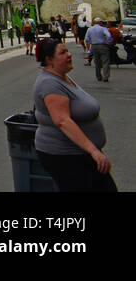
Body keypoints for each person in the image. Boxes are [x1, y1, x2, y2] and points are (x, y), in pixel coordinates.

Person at [32, 39, 116, 192]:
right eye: (62, 53)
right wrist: (93, 150)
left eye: (67, 51)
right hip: (66, 156)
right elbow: (62, 121)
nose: (69, 55)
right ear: (49, 59)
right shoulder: (49, 83)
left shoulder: (62, 76)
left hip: (81, 154)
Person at [84, 19, 113, 83]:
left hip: (94, 46)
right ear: (100, 22)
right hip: (103, 45)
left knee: (97, 62)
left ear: (94, 23)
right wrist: (108, 41)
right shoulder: (103, 28)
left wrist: (91, 43)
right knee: (105, 61)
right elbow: (109, 36)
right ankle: (106, 77)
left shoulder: (89, 29)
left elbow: (86, 39)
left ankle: (99, 76)